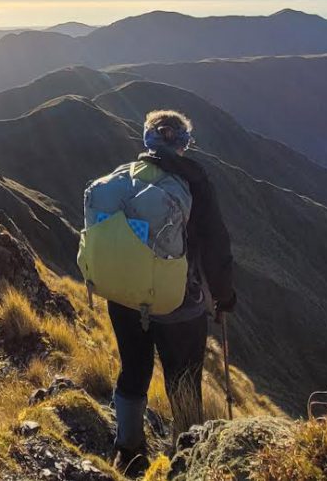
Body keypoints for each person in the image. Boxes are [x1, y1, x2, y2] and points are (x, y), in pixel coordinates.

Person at [84, 109, 236, 472]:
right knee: (183, 382)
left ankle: (129, 450)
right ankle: (187, 461)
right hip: (179, 305)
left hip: (124, 298)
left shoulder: (122, 180)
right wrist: (224, 297)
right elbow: (216, 246)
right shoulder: (194, 184)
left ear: (146, 140)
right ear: (184, 144)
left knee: (133, 370)